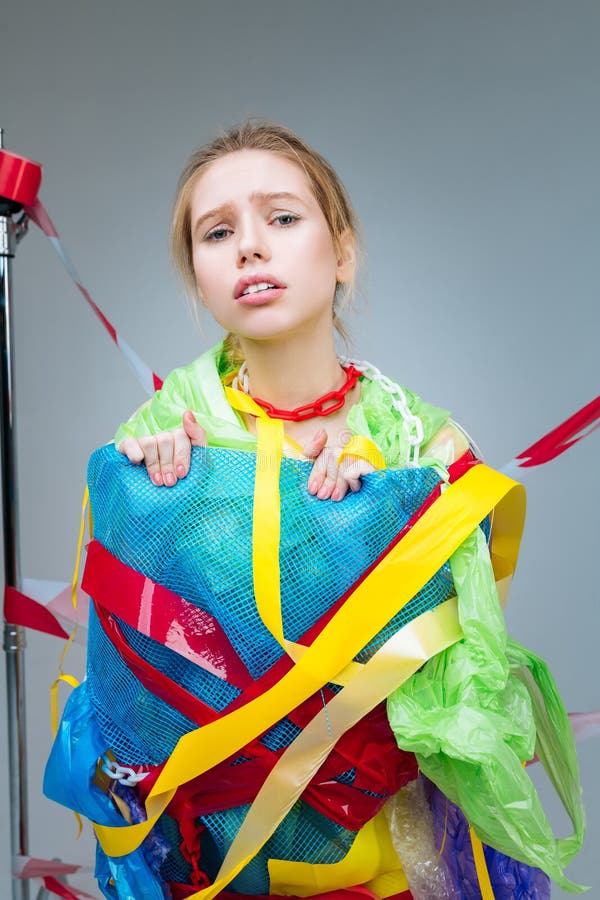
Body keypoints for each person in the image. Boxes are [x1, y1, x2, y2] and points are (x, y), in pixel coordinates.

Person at [45, 120, 585, 900]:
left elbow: (468, 670)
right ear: (198, 275)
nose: (249, 248)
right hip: (212, 871)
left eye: (283, 218)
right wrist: (164, 508)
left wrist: (378, 517)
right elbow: (136, 689)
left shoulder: (418, 443)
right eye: (218, 231)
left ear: (343, 252)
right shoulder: (163, 442)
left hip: (386, 863)